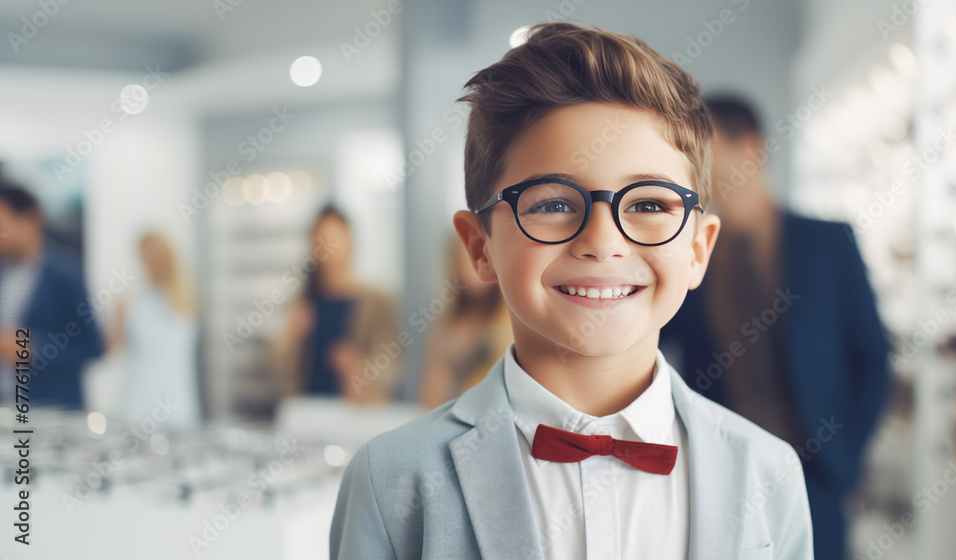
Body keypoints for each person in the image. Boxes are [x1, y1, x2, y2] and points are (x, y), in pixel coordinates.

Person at [331, 22, 813, 559]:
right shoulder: (390, 480)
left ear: (698, 248)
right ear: (479, 247)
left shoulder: (770, 473)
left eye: (650, 204)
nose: (603, 242)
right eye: (553, 203)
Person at [659, 95, 891, 560]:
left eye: (707, 149)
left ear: (752, 148)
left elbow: (873, 359)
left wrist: (845, 454)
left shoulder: (825, 243)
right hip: (722, 474)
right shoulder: (689, 250)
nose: (697, 165)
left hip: (817, 472)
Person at [276, 205, 400, 404]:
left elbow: (392, 365)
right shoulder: (303, 301)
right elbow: (280, 367)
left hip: (356, 411)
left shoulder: (376, 301)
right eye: (320, 239)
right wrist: (291, 337)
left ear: (350, 242)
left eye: (334, 239)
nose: (328, 248)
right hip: (308, 407)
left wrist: (358, 367)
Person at [0, 182, 103, 408]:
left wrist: (34, 347)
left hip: (49, 412)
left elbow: (92, 347)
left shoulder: (67, 276)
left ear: (29, 220)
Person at [109, 231, 201, 427]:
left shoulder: (185, 300)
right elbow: (114, 347)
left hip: (176, 401)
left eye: (153, 258)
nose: (148, 265)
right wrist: (118, 319)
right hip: (137, 401)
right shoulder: (135, 302)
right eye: (144, 259)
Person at [418, 235, 513, 410]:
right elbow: (431, 399)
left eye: (477, 261)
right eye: (461, 264)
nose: (470, 272)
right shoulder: (447, 327)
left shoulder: (512, 321)